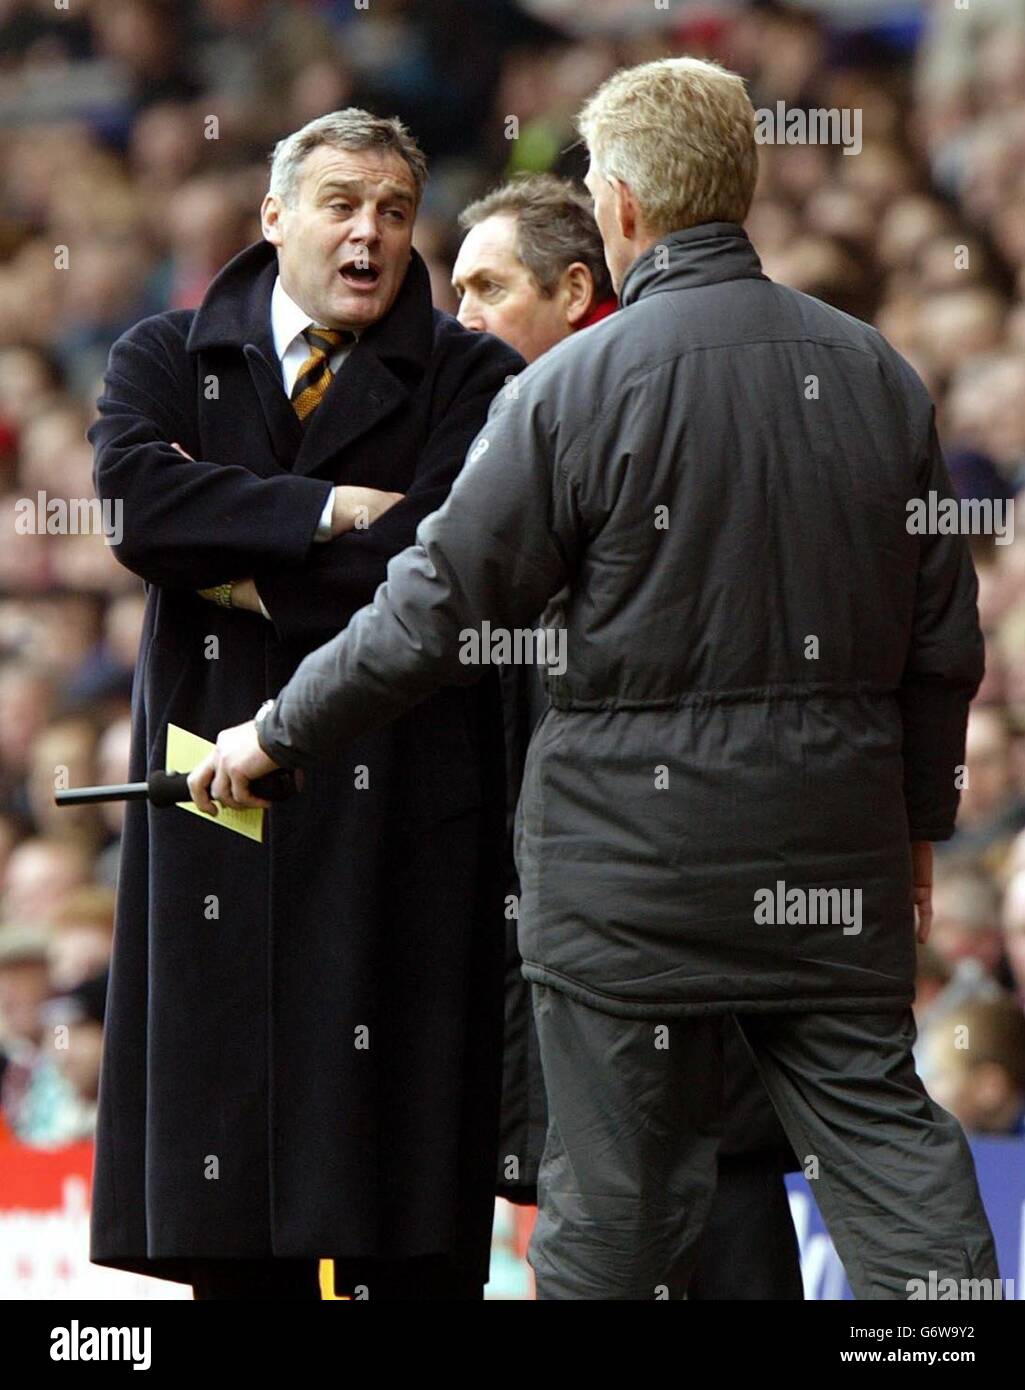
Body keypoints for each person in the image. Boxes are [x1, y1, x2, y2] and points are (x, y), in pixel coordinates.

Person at [193, 59, 998, 1300]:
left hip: (631, 880)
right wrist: (915, 830)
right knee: (888, 1153)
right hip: (830, 857)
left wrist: (276, 730)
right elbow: (945, 639)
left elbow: (433, 607)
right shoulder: (876, 375)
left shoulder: (571, 386)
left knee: (612, 1213)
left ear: (617, 208)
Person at [89, 108, 522, 1301]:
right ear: (274, 216)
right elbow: (135, 512)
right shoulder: (164, 354)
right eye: (340, 204)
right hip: (212, 792)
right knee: (227, 1185)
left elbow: (431, 570)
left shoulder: (477, 374)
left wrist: (232, 555)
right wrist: (327, 511)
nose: (369, 234)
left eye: (392, 210)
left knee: (392, 1179)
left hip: (399, 789)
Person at [453, 171, 801, 1298]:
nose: (462, 316)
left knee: (685, 1174)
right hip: (638, 873)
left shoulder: (597, 406)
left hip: (650, 875)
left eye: (486, 287)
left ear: (573, 289)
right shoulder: (532, 416)